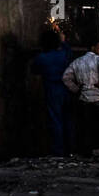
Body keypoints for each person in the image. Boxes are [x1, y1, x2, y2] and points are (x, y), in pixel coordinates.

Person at [65, 41, 99, 158]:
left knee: (87, 126)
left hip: (85, 97)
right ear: (92, 48)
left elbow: (66, 77)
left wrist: (76, 89)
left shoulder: (76, 62)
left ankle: (87, 153)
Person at [31, 28, 73, 156]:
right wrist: (63, 41)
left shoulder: (41, 58)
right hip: (67, 88)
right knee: (68, 119)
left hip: (52, 89)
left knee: (55, 120)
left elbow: (34, 70)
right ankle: (70, 149)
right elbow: (69, 52)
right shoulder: (64, 54)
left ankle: (58, 151)